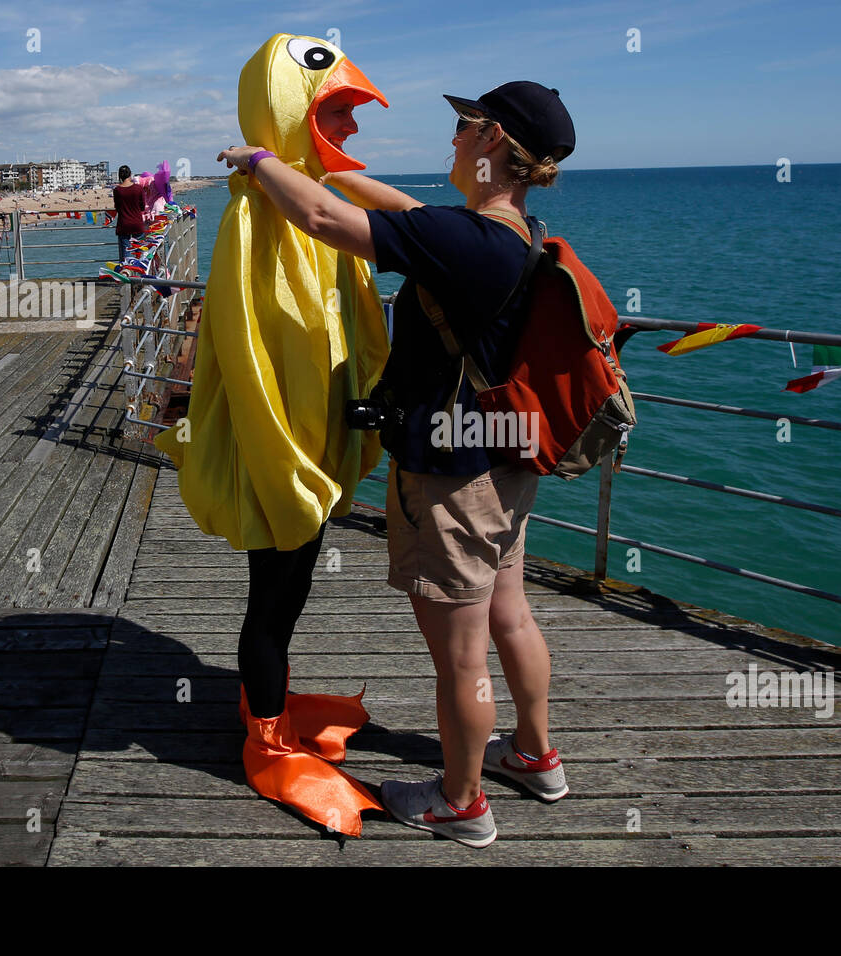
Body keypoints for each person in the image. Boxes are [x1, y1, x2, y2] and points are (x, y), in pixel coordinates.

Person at [219, 79, 576, 848]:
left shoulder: (463, 240)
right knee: (511, 612)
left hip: (453, 479)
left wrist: (255, 161)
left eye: (460, 129)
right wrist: (322, 161)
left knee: (459, 656)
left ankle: (462, 802)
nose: (450, 141)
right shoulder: (515, 231)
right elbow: (399, 212)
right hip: (508, 462)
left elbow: (321, 219)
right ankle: (536, 757)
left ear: (488, 142)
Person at [155, 34, 390, 839]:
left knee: (292, 591)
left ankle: (277, 701)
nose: (350, 134)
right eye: (335, 114)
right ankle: (267, 742)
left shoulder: (311, 195)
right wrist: (278, 452)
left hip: (316, 436)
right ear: (292, 111)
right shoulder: (259, 212)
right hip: (282, 447)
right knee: (274, 592)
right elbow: (244, 342)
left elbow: (346, 301)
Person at [111, 165, 147, 262]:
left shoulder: (117, 190)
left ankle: (126, 273)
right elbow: (142, 206)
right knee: (139, 253)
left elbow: (117, 207)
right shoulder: (138, 188)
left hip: (124, 224)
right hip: (137, 223)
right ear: (130, 174)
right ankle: (140, 274)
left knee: (125, 255)